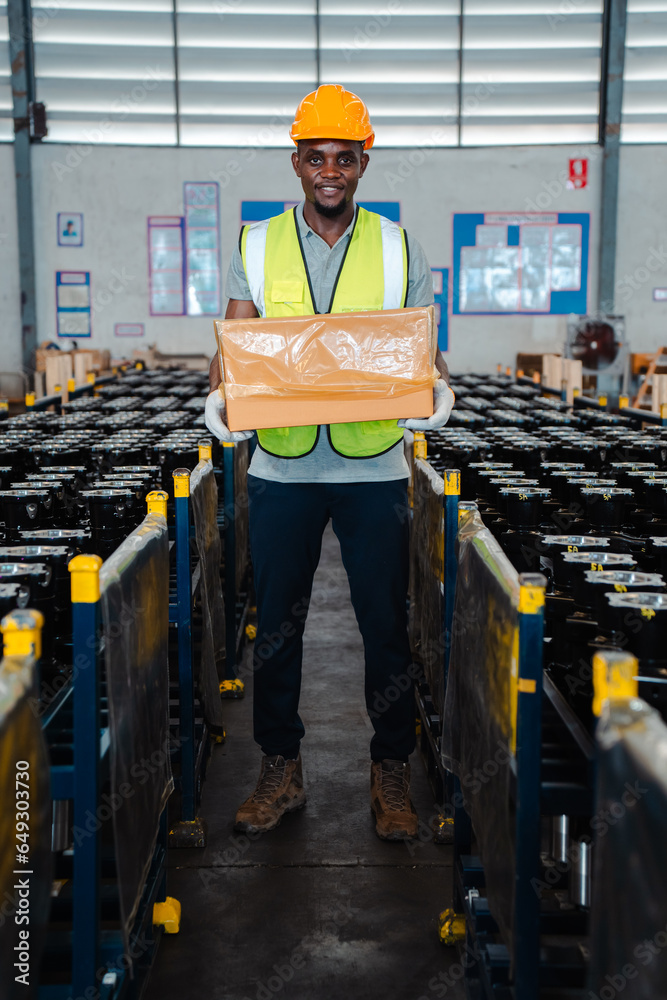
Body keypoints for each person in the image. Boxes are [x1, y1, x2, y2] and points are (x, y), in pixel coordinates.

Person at [205, 84, 454, 841]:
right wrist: (215, 393)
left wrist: (441, 388)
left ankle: (391, 770)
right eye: (316, 158)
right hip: (282, 467)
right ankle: (280, 768)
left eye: (344, 158)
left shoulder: (398, 246)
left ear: (362, 164)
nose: (330, 171)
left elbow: (421, 349)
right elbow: (234, 342)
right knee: (277, 626)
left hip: (372, 465)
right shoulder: (256, 243)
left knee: (386, 625)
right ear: (297, 163)